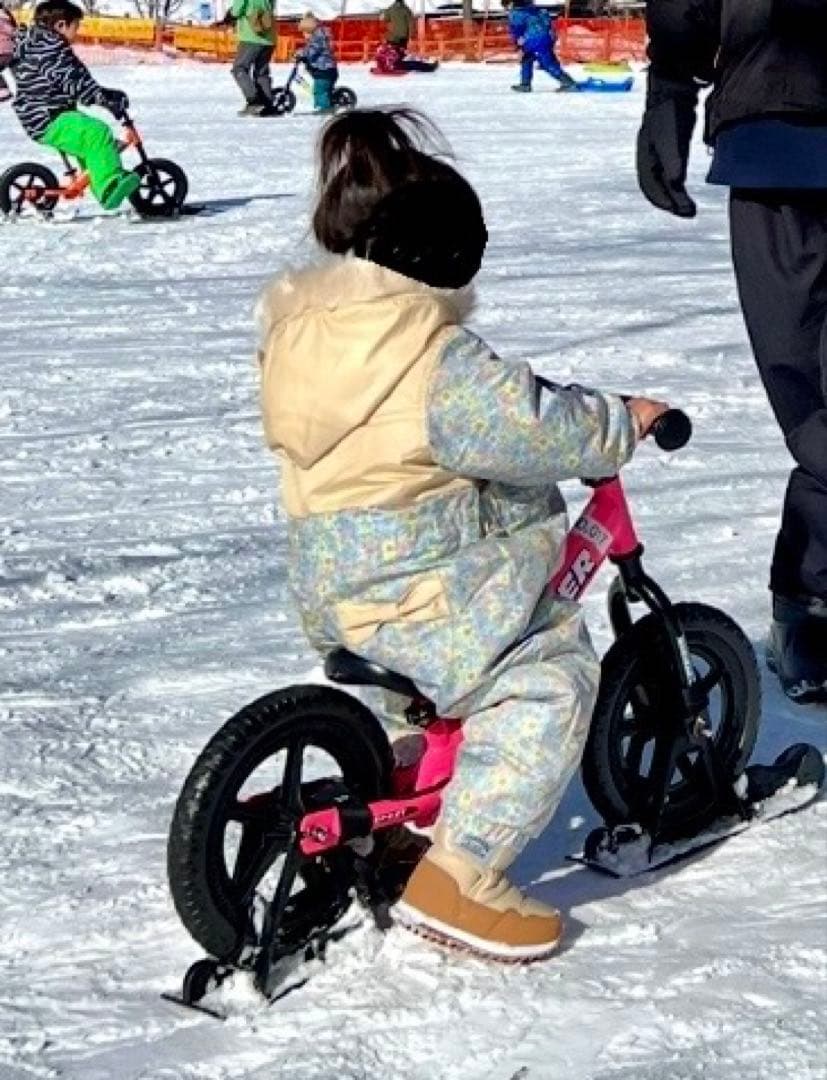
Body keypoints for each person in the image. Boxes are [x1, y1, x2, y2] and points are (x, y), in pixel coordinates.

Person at [255, 108, 668, 961]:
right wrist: (618, 422)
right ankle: (462, 874)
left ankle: (397, 797)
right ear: (446, 263)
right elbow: (536, 430)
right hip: (424, 589)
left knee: (420, 692)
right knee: (543, 680)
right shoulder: (435, 359)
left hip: (334, 586)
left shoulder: (305, 335)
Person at [637, 0, 827, 705]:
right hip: (780, 117)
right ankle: (810, 598)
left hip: (774, 110)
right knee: (805, 382)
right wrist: (668, 87)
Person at [9, 0, 139, 211]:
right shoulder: (50, 50)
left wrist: (102, 94)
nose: (77, 32)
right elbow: (74, 82)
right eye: (75, 26)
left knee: (91, 144)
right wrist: (104, 98)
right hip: (47, 118)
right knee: (97, 133)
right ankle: (109, 186)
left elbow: (75, 80)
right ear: (60, 25)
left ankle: (101, 181)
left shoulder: (37, 44)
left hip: (47, 114)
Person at [503, 0, 578, 94]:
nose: (506, 9)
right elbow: (549, 24)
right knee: (527, 60)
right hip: (544, 38)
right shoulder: (540, 10)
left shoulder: (516, 13)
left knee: (547, 63)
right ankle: (525, 84)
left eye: (506, 6)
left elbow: (517, 30)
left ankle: (569, 83)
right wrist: (552, 38)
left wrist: (517, 44)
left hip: (535, 41)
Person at [217, 0, 275, 116]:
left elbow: (237, 10)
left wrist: (230, 16)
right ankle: (267, 105)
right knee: (262, 73)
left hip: (251, 37)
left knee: (239, 68)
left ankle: (254, 101)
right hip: (269, 38)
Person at [295, 13, 337, 114]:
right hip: (327, 70)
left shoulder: (318, 39)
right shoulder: (319, 37)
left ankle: (323, 108)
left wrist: (301, 53)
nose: (303, 35)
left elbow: (311, 51)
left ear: (310, 30)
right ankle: (329, 104)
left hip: (324, 71)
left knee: (320, 91)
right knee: (325, 91)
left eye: (304, 32)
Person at [0, 1, 17, 104]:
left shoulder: (2, 18)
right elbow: (13, 30)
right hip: (11, 49)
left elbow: (10, 30)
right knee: (17, 70)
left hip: (3, 51)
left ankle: (3, 91)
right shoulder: (6, 15)